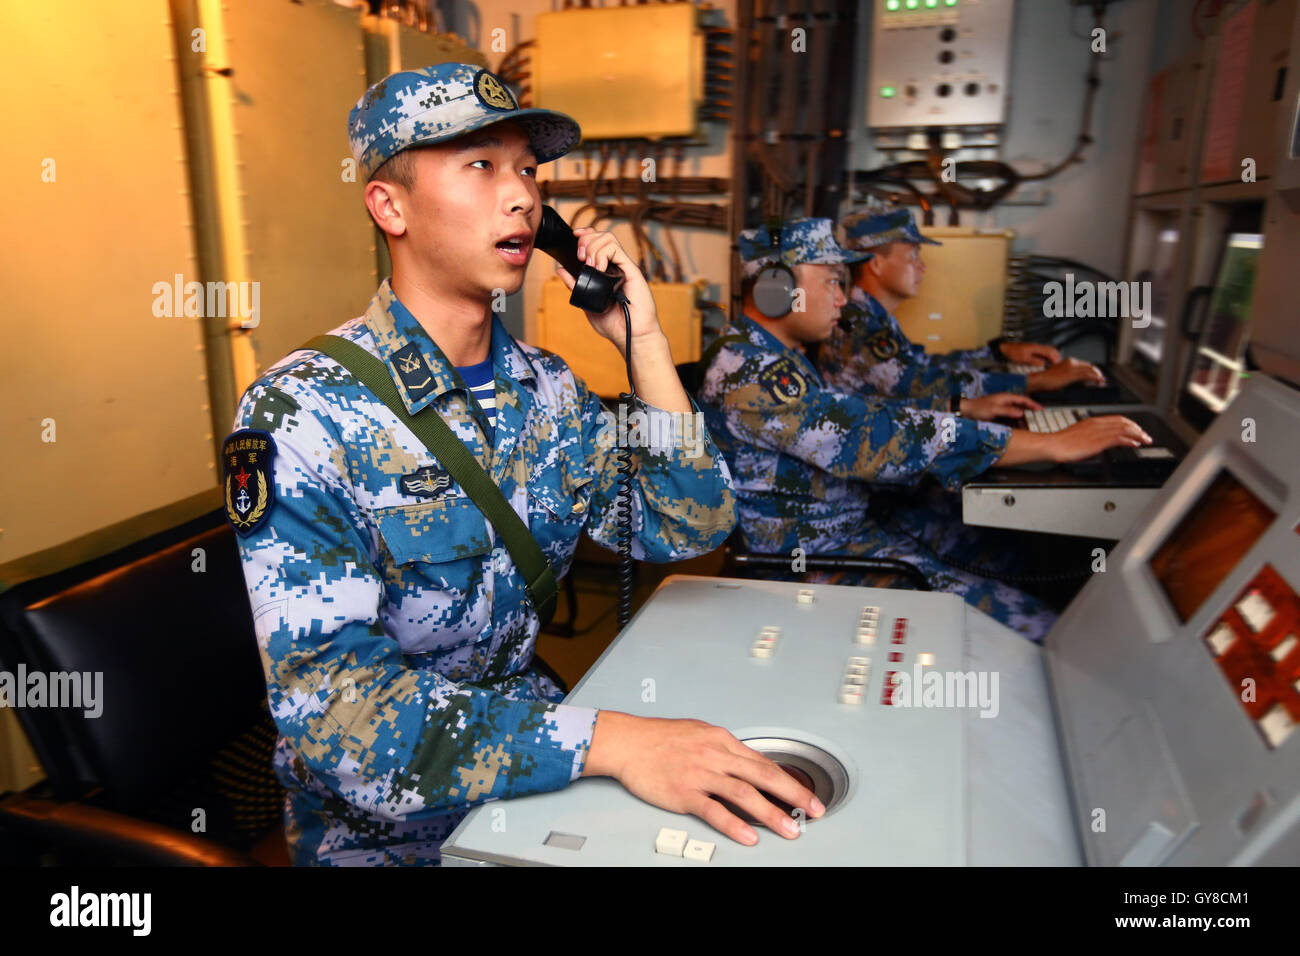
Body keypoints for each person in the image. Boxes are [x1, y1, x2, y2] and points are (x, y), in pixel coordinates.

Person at [223, 63, 821, 865]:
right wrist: (611, 742)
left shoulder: (549, 391)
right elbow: (342, 720)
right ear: (389, 205)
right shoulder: (302, 412)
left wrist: (642, 343)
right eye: (480, 165)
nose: (522, 197)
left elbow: (689, 523)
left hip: (546, 768)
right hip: (392, 833)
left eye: (529, 171)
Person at [698, 218, 1152, 643]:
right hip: (814, 559)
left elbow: (864, 409)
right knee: (1039, 629)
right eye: (832, 280)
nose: (843, 298)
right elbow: (870, 434)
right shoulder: (752, 372)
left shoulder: (772, 353)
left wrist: (968, 410)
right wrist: (1049, 445)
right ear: (776, 290)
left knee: (1018, 561)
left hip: (849, 527)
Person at [818, 204, 1107, 405]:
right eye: (912, 257)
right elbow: (921, 385)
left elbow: (922, 366)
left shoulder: (870, 316)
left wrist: (998, 351)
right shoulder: (859, 327)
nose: (922, 268)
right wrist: (1036, 382)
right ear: (876, 264)